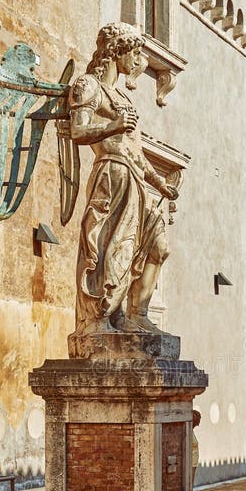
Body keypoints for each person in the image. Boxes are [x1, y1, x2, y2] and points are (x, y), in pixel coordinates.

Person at [69, 23, 178, 336]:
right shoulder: (88, 85)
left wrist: (159, 183)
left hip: (136, 181)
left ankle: (137, 314)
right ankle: (98, 321)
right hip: (110, 176)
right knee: (109, 252)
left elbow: (136, 152)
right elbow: (78, 131)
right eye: (135, 52)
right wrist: (113, 125)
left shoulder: (122, 97)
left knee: (158, 246)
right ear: (117, 51)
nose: (139, 60)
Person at [192, 409, 201, 487]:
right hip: (190, 462)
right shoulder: (188, 431)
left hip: (194, 462)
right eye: (198, 419)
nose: (198, 423)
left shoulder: (191, 431)